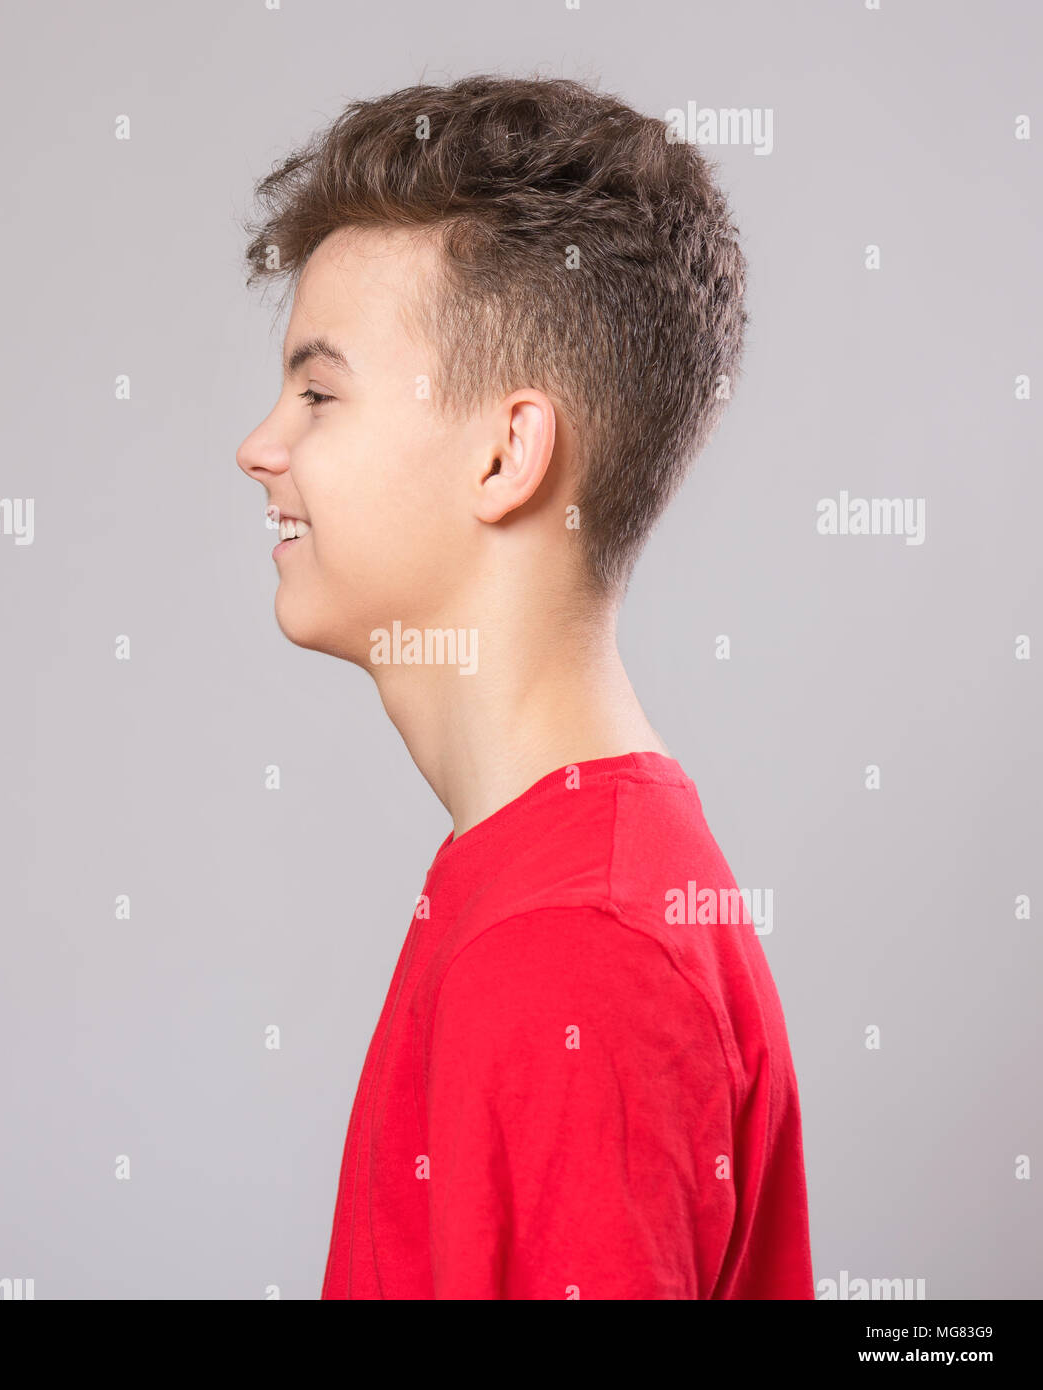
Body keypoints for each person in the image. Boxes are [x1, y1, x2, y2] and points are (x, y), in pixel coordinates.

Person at [236, 74, 814, 1300]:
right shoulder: (556, 883)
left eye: (320, 393)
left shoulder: (571, 954)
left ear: (507, 453)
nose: (260, 445)